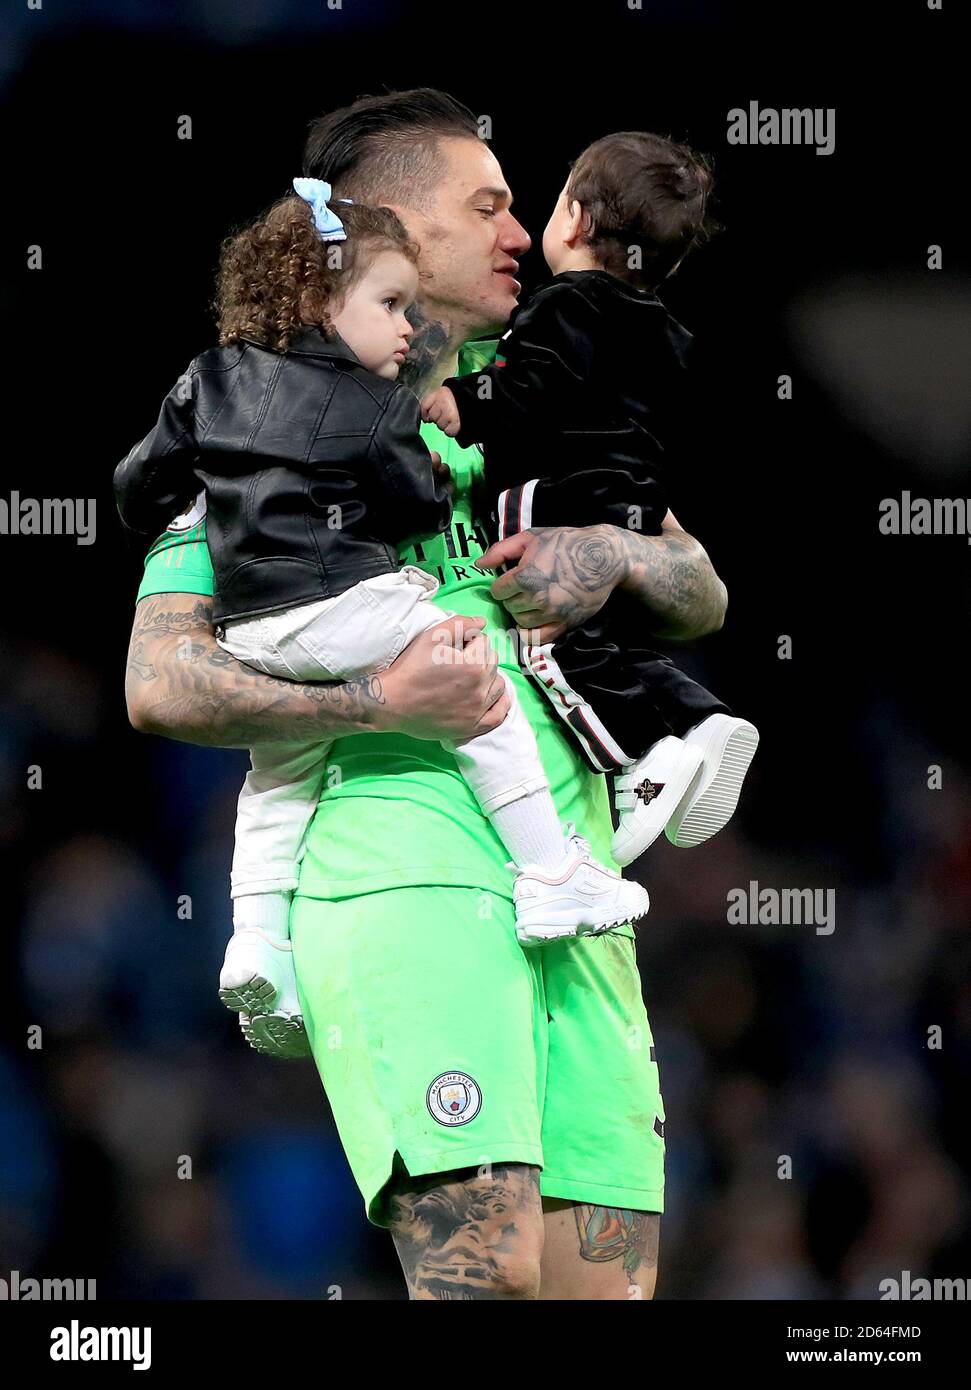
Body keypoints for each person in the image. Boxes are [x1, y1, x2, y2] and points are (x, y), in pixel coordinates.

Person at [122, 89, 729, 1300]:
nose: (523, 233)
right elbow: (160, 677)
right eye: (488, 205)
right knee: (482, 1281)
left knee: (597, 1297)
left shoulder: (540, 389)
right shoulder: (275, 403)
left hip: (575, 902)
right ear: (389, 226)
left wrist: (610, 558)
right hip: (406, 870)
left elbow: (700, 586)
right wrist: (377, 700)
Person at [114, 188, 649, 1036]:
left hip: (253, 627)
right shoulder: (375, 402)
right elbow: (410, 509)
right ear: (321, 304)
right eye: (390, 305)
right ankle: (552, 873)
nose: (406, 329)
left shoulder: (205, 378)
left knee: (279, 776)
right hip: (344, 602)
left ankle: (255, 939)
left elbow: (138, 480)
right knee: (474, 679)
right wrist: (434, 482)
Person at [422, 130, 758, 868]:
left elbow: (528, 385)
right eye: (485, 211)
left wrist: (464, 402)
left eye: (521, 209)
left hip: (552, 494)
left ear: (571, 218)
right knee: (602, 641)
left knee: (544, 642)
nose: (513, 233)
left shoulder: (554, 311)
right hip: (632, 486)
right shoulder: (665, 331)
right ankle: (693, 718)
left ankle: (643, 759)